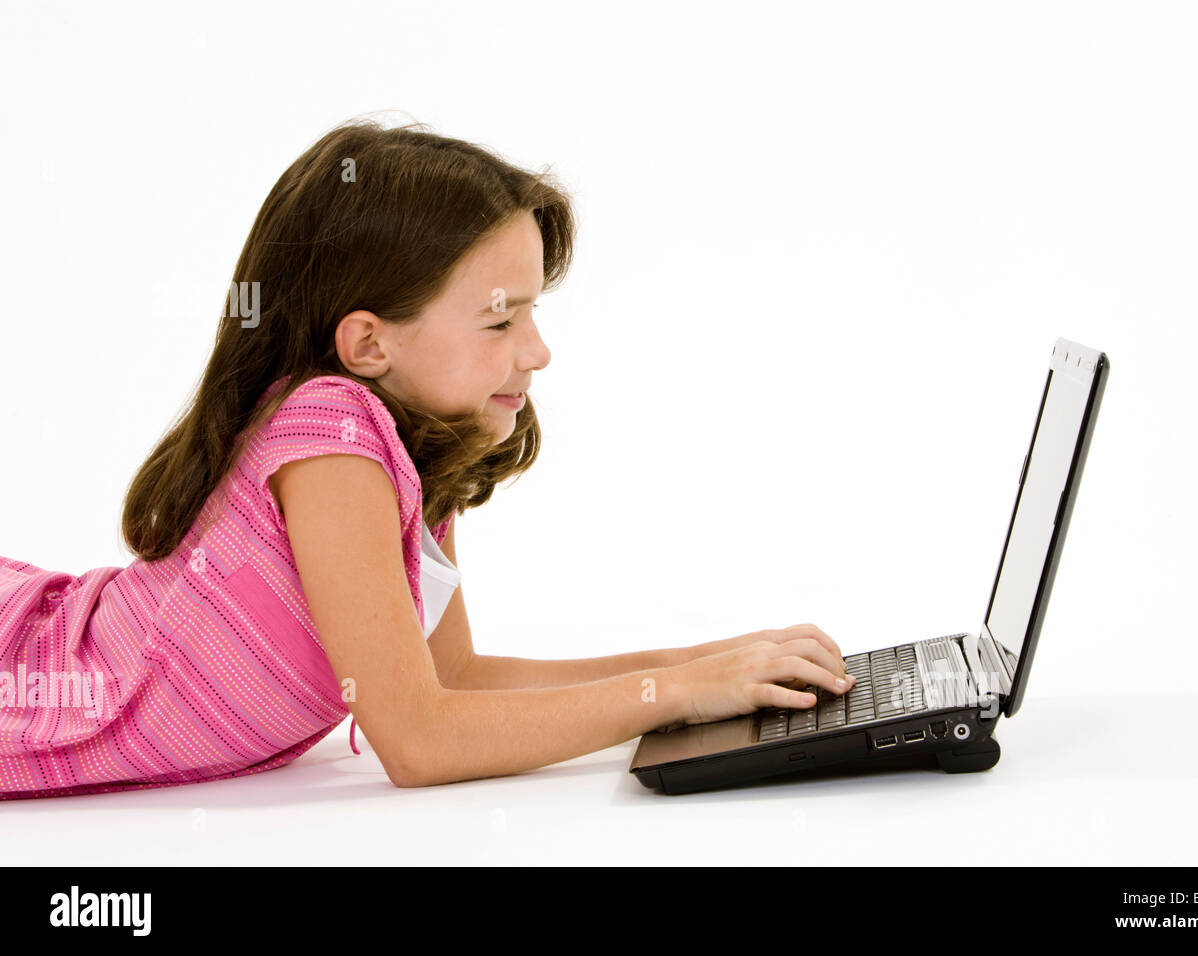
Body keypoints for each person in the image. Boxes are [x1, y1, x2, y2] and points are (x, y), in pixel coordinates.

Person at [0, 117, 854, 798]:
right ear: (369, 342)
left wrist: (708, 666)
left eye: (533, 312)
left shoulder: (408, 445)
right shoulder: (328, 432)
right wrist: (672, 698)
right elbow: (416, 741)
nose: (538, 351)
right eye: (499, 319)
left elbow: (455, 680)